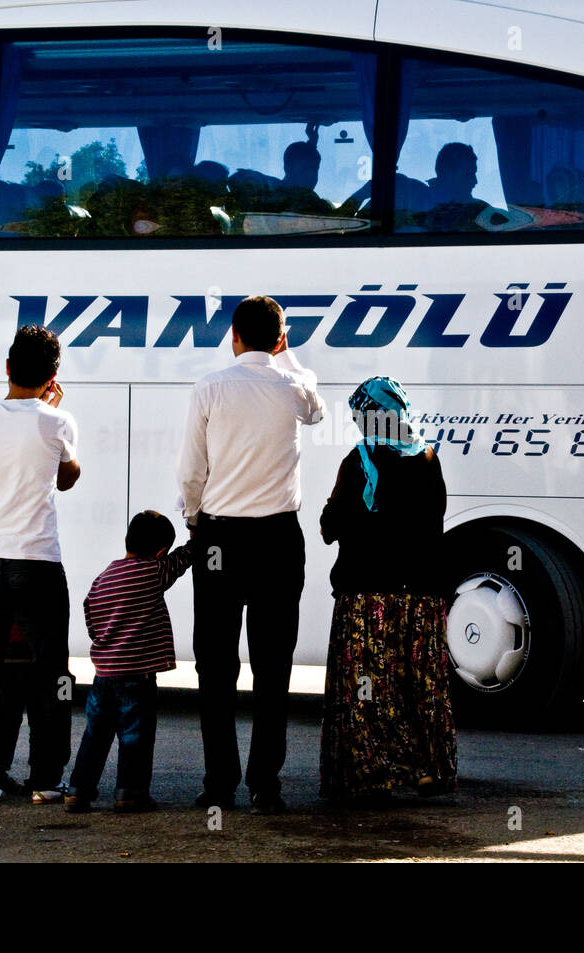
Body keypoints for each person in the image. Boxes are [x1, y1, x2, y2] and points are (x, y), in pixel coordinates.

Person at [177, 295, 326, 814]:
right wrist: (283, 355)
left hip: (221, 540)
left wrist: (195, 517)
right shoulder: (294, 387)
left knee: (215, 667)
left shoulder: (210, 388)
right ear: (281, 339)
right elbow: (317, 408)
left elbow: (191, 471)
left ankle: (220, 783)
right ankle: (266, 784)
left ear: (232, 336)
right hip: (280, 541)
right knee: (273, 665)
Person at [0, 324, 81, 806]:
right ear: (52, 376)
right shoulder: (58, 422)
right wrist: (54, 409)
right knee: (51, 675)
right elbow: (67, 479)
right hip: (39, 562)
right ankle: (46, 782)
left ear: (6, 368)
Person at [319, 377, 457, 802]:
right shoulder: (430, 458)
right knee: (420, 683)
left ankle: (373, 771)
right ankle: (426, 769)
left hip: (368, 597)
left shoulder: (359, 461)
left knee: (369, 684)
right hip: (422, 595)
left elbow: (330, 528)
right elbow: (435, 521)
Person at [65, 510, 194, 814]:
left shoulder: (102, 579)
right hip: (138, 676)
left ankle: (77, 791)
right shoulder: (153, 572)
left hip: (103, 677)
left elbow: (91, 621)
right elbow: (182, 561)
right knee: (135, 734)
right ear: (161, 552)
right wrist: (194, 538)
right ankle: (129, 793)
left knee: (95, 736)